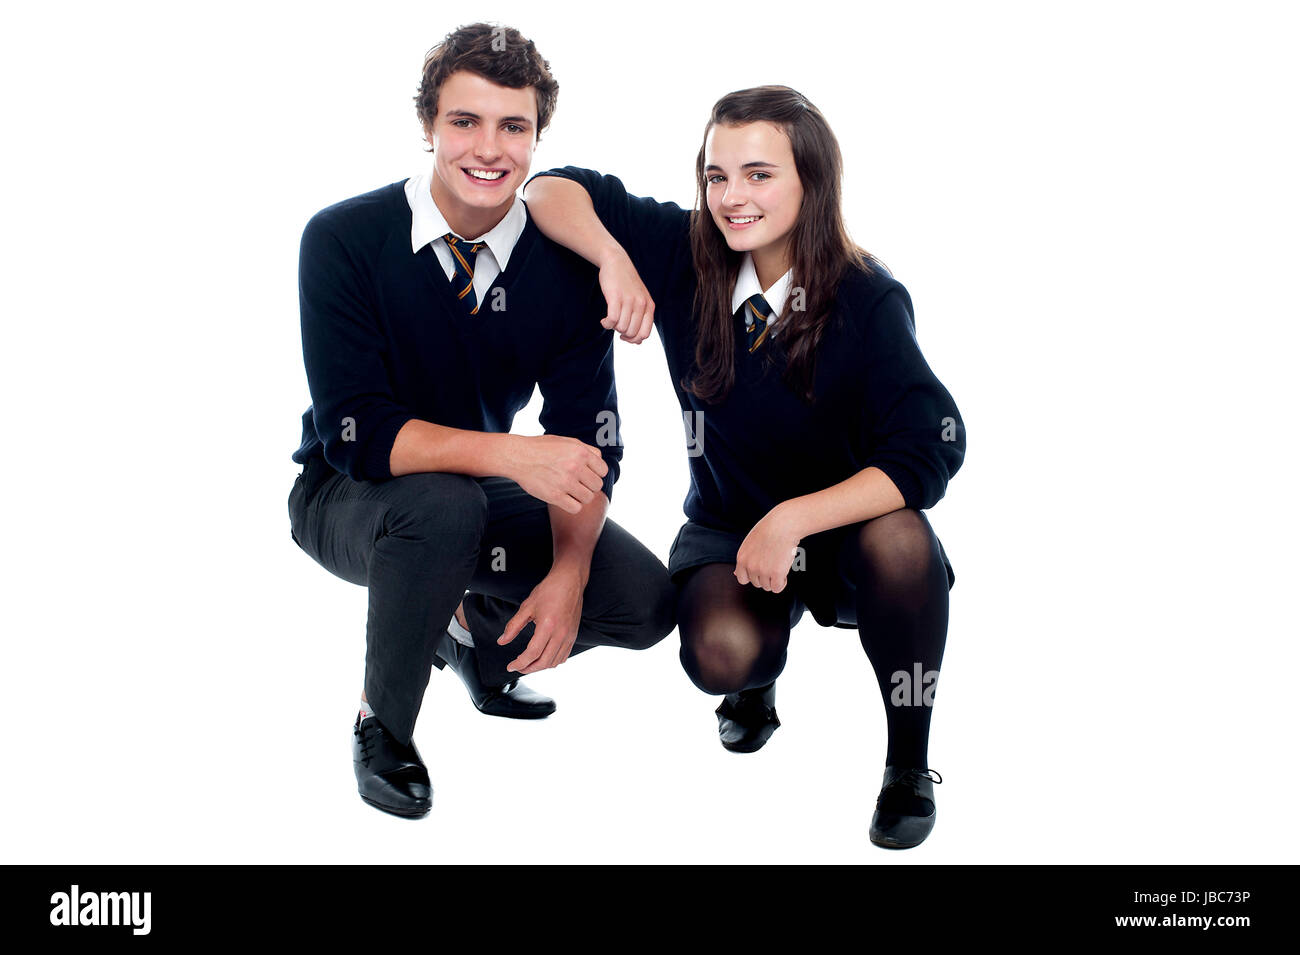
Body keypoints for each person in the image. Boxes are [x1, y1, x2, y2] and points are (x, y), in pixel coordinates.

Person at [523, 86, 966, 848]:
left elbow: (931, 447)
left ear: (810, 183)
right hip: (728, 527)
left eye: (759, 175)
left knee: (903, 541)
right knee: (723, 653)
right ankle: (758, 680)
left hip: (844, 532)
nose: (732, 198)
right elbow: (547, 189)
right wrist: (614, 260)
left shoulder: (868, 297)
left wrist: (792, 520)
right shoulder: (684, 251)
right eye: (716, 174)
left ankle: (907, 764)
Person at [286, 23, 675, 819]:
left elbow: (591, 441)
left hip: (474, 491)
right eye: (465, 121)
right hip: (348, 492)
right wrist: (511, 456)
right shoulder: (343, 240)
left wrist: (567, 574)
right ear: (428, 124)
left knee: (643, 599)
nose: (488, 148)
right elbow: (357, 431)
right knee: (445, 506)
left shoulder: (561, 269)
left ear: (537, 137)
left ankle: (470, 636)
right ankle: (382, 724)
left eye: (514, 126)